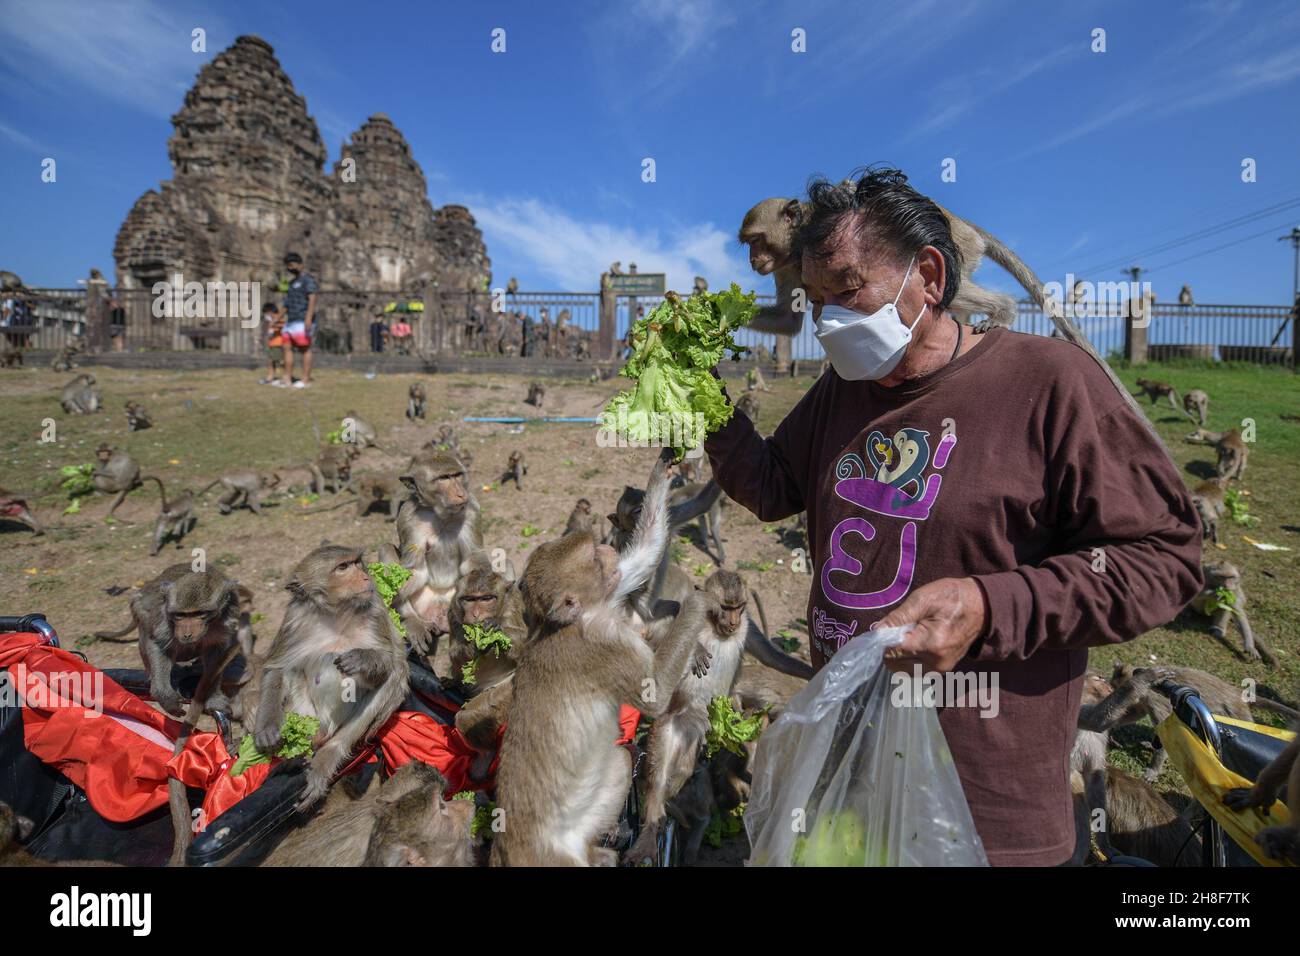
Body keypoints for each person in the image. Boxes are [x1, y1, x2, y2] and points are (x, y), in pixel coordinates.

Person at [704, 168, 1203, 866]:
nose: (830, 321)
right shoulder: (839, 393)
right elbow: (772, 485)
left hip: (985, 806)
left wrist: (991, 604)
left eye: (848, 292)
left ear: (930, 275)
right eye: (817, 302)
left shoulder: (1050, 384)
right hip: (850, 771)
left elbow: (1165, 556)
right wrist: (704, 400)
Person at [277, 252, 318, 389]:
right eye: (288, 266)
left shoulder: (308, 280)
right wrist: (277, 318)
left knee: (304, 349)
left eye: (292, 265)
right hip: (290, 321)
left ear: (300, 264)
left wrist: (308, 318)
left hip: (302, 320)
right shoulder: (291, 283)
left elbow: (312, 298)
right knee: (286, 348)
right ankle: (287, 377)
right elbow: (286, 304)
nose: (290, 268)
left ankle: (305, 379)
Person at [259, 301, 285, 384]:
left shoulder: (278, 318)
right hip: (272, 343)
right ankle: (270, 377)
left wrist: (274, 326)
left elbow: (283, 326)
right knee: (271, 361)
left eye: (266, 313)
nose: (266, 316)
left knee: (280, 361)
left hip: (278, 343)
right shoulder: (272, 320)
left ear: (270, 312)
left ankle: (286, 376)